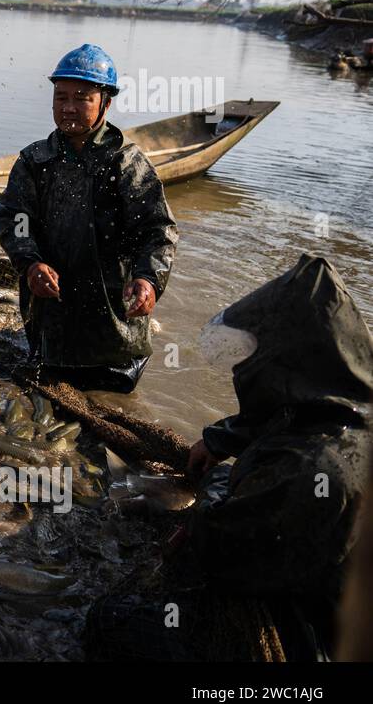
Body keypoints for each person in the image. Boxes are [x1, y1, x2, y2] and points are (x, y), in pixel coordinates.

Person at [86, 254, 372, 660]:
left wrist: (217, 484)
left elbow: (219, 547)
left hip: (321, 638)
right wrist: (219, 441)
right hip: (322, 578)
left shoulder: (317, 470)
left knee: (110, 623)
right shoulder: (348, 403)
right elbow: (285, 414)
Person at [0, 44, 177, 392]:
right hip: (51, 306)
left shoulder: (126, 162)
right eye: (60, 97)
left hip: (113, 314)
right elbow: (14, 218)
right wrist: (30, 263)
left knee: (110, 389)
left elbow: (158, 230)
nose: (68, 108)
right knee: (47, 381)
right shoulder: (35, 160)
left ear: (105, 103)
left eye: (82, 98)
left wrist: (149, 280)